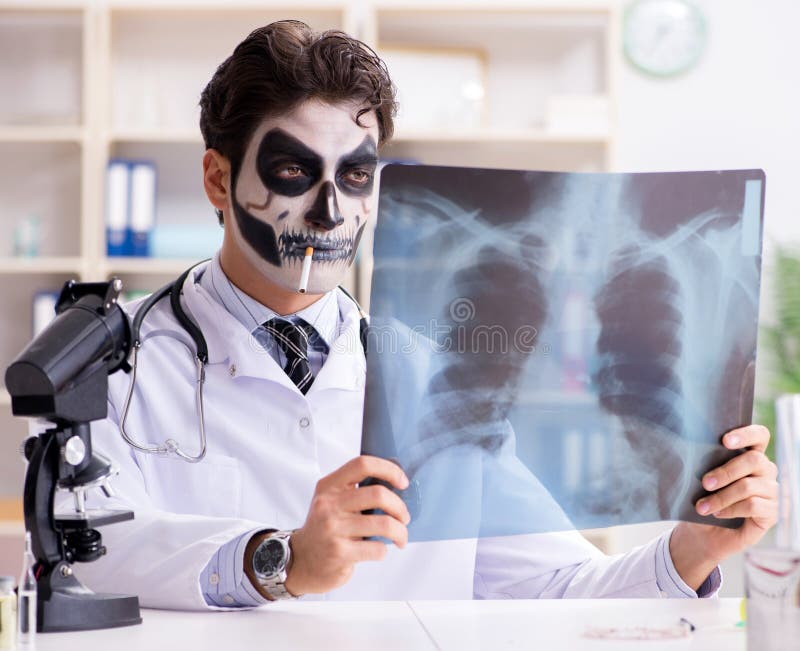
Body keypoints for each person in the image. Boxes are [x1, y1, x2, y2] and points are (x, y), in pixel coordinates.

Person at [72, 20, 778, 610]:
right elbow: (82, 546)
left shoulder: (429, 373)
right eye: (293, 171)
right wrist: (278, 559)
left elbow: (557, 585)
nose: (330, 212)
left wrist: (692, 550)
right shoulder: (109, 357)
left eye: (354, 176)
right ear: (219, 178)